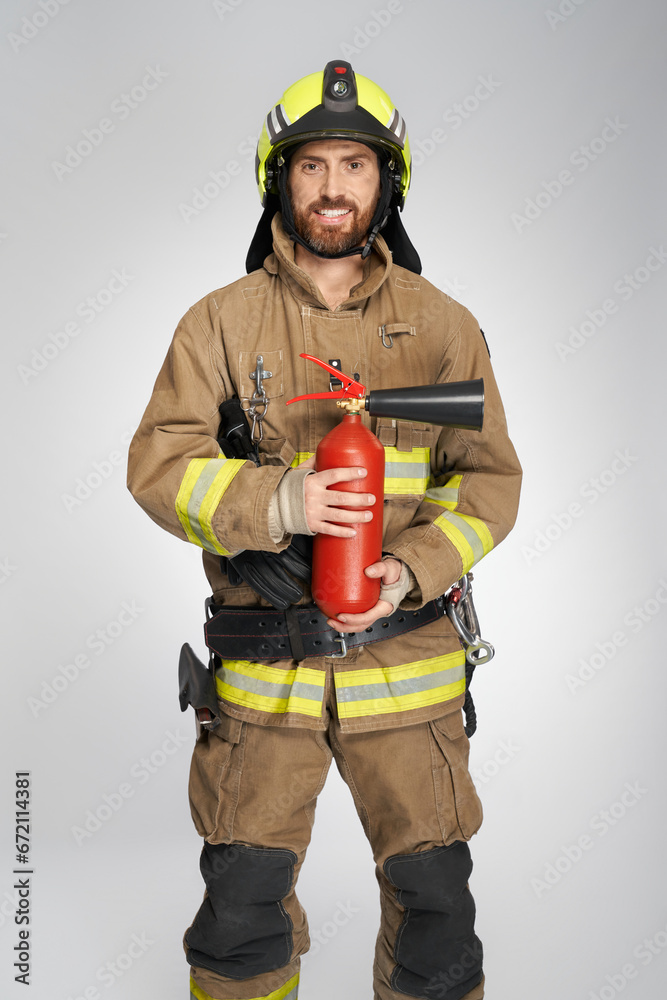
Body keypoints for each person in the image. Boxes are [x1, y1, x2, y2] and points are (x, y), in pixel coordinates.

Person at [127, 60, 522, 1000]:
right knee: (238, 917)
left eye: (355, 164)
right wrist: (277, 506)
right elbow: (158, 467)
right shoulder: (217, 325)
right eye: (311, 165)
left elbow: (490, 481)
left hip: (408, 675)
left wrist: (414, 566)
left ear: (386, 184)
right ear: (280, 178)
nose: (333, 186)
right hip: (266, 684)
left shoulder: (443, 327)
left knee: (437, 921)